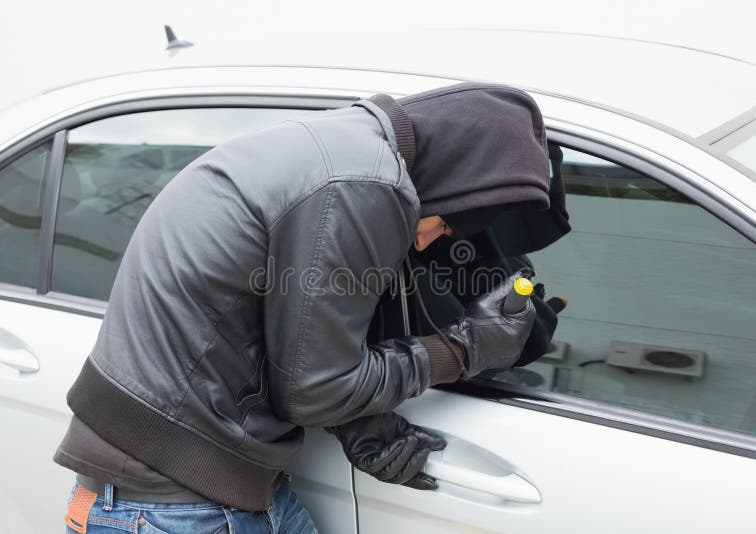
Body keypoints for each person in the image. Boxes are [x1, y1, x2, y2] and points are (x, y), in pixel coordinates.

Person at [55, 82, 568, 533]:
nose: (428, 238)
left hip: (184, 475)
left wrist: (365, 423)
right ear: (458, 176)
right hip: (175, 498)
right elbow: (317, 391)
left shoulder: (341, 149)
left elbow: (290, 329)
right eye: (446, 224)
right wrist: (465, 347)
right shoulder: (364, 184)